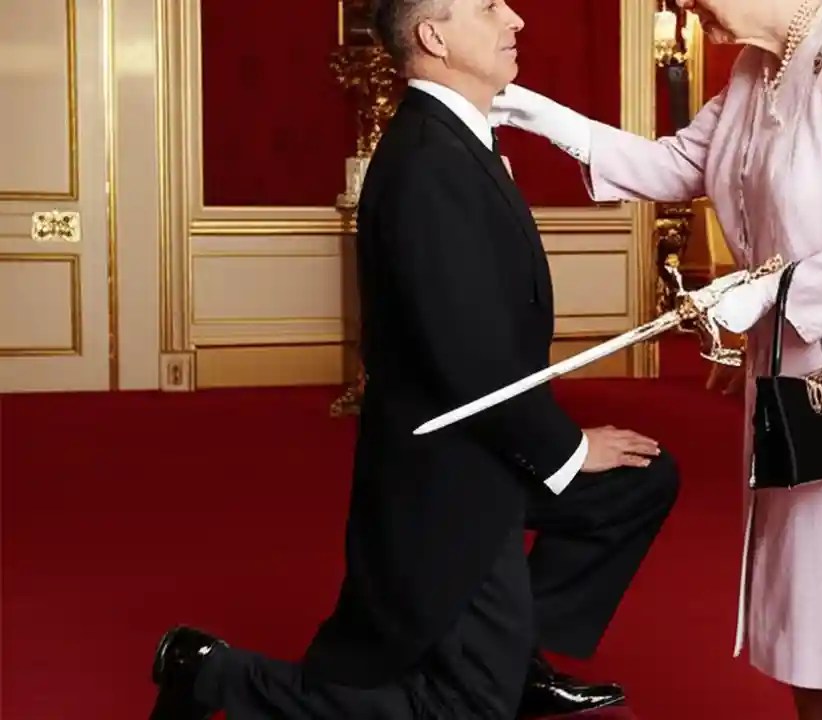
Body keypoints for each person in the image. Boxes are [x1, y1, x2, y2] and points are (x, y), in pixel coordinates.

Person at [147, 0, 681, 718]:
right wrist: (569, 447)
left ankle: (512, 653)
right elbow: (466, 357)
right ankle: (212, 674)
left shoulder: (459, 139)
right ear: (434, 36)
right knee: (463, 708)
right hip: (446, 471)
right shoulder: (429, 159)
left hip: (488, 443)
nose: (515, 18)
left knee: (640, 481)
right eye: (490, 6)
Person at [489, 0, 822, 718]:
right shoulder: (761, 63)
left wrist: (764, 297)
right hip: (794, 367)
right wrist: (544, 118)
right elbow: (676, 165)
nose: (685, 7)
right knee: (805, 596)